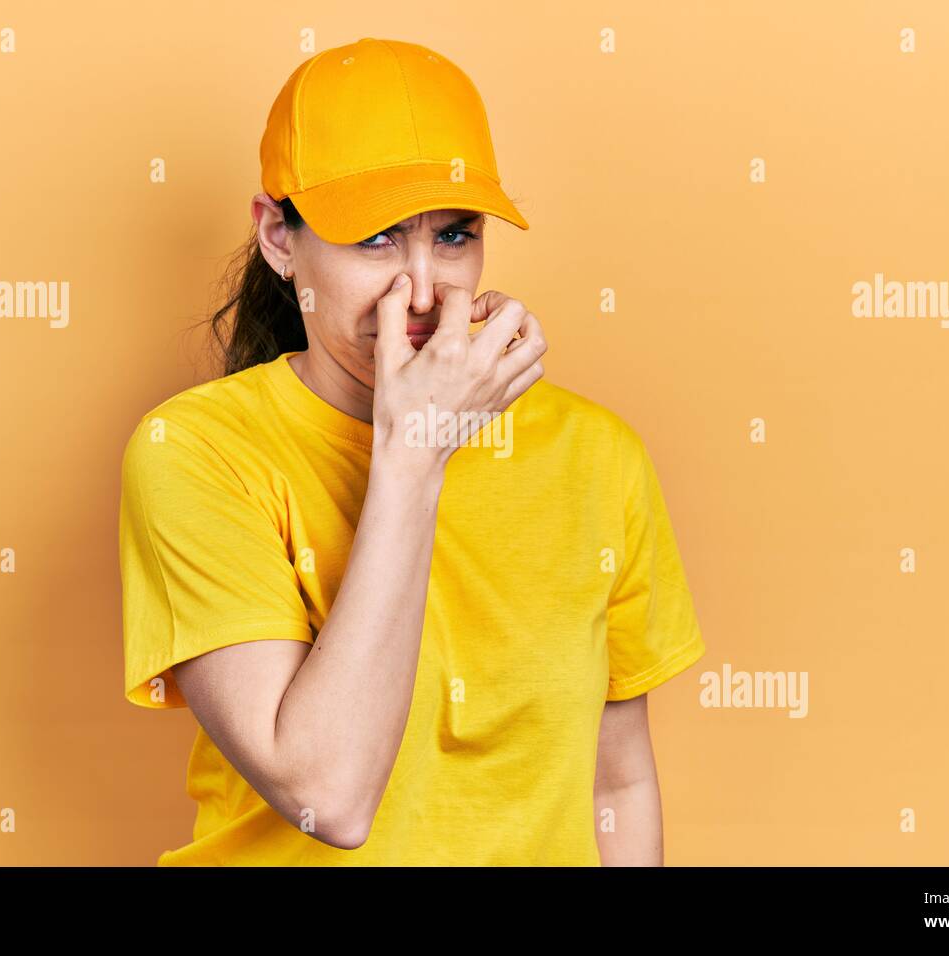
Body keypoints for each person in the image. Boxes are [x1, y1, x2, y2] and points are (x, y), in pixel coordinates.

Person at [118, 36, 706, 865]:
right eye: (376, 240)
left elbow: (616, 784)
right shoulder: (198, 453)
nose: (423, 290)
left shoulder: (597, 457)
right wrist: (415, 449)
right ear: (280, 240)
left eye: (456, 236)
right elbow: (329, 795)